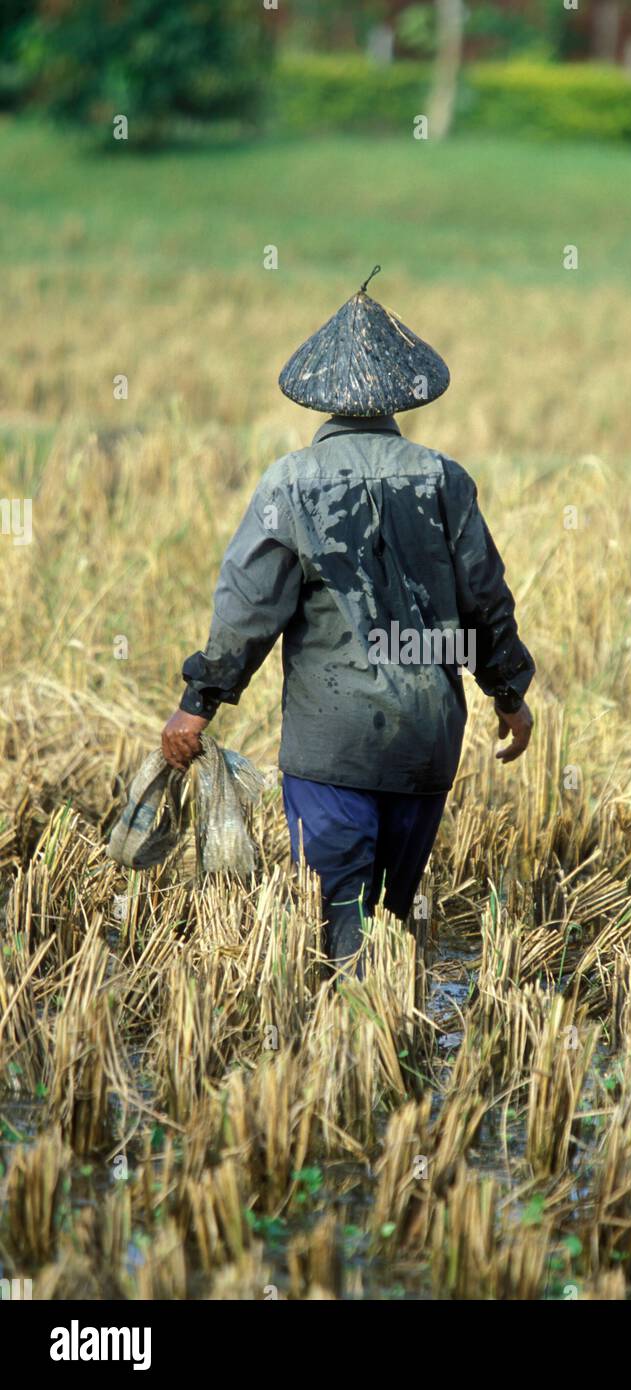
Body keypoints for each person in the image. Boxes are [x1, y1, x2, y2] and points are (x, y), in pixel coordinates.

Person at [161, 268, 534, 969]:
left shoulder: (291, 483)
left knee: (341, 934)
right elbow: (486, 600)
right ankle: (394, 1051)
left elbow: (248, 609)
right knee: (391, 924)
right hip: (427, 741)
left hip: (332, 748)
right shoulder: (443, 479)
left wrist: (198, 702)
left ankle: (350, 1056)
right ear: (401, 396)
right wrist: (509, 695)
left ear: (321, 399)